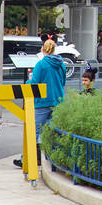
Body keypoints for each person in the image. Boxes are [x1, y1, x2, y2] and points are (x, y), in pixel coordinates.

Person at [21, 39, 67, 170]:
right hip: (57, 100)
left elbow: (35, 83)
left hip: (42, 102)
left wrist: (26, 84)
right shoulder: (61, 64)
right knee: (54, 131)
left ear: (43, 49)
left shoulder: (41, 65)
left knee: (35, 131)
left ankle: (28, 158)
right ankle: (53, 157)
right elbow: (63, 82)